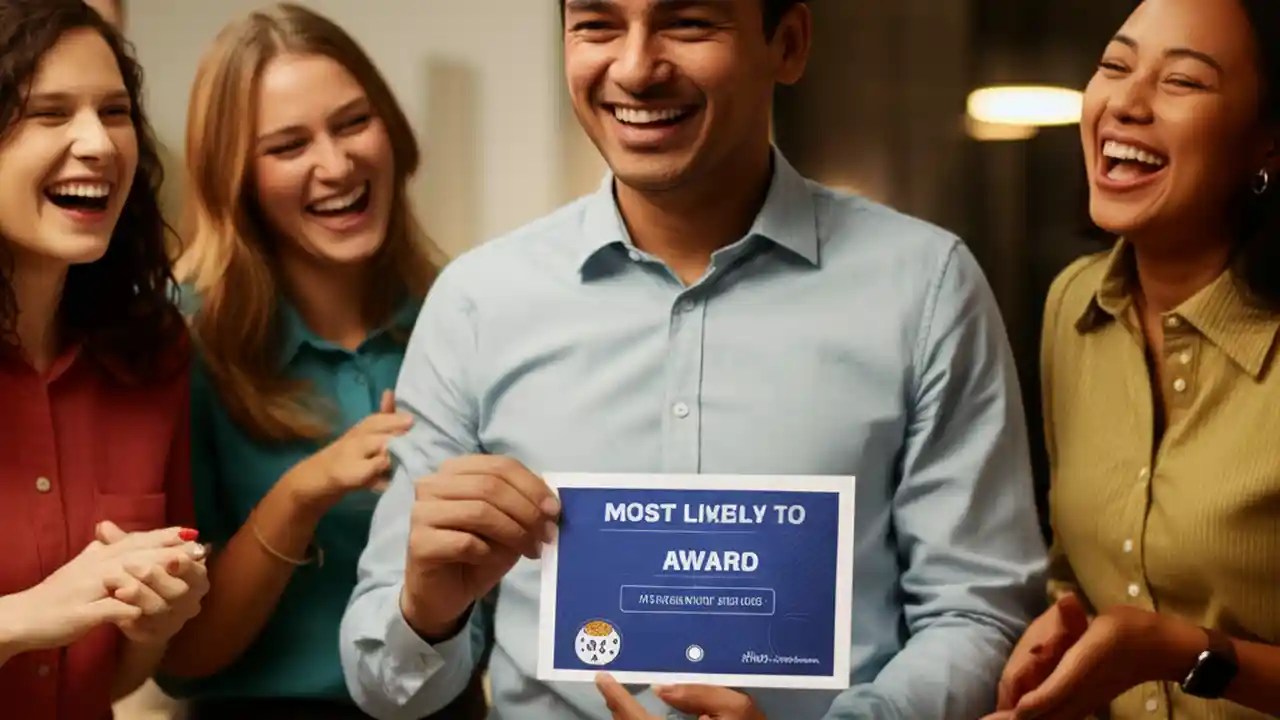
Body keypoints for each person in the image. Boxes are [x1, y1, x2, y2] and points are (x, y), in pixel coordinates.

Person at [340, 0, 1048, 718]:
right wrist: (428, 612)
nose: (635, 67)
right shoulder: (477, 303)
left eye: (688, 23)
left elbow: (978, 615)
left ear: (790, 43)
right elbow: (388, 688)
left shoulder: (925, 287)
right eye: (597, 25)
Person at [151, 4, 487, 719]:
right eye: (287, 146)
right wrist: (302, 494)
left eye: (352, 123)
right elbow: (181, 660)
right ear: (234, 175)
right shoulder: (181, 341)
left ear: (391, 129)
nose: (336, 165)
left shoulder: (471, 313)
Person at [988, 1, 1280, 719]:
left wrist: (1185, 653)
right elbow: (1078, 575)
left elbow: (1150, 641)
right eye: (1115, 66)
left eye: (1182, 81)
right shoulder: (1075, 304)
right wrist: (1057, 636)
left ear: (1268, 143)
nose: (1126, 101)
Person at [0, 1, 209, 718]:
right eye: (49, 114)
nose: (98, 143)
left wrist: (156, 622)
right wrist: (21, 619)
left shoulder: (153, 354)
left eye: (115, 112)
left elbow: (110, 678)